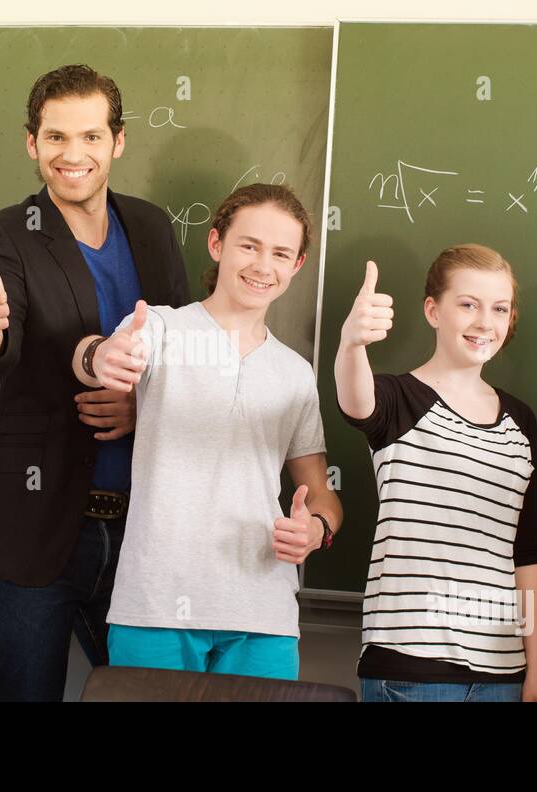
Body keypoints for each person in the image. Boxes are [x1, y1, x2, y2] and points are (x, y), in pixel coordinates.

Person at [0, 64, 190, 701]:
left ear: (118, 141)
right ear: (32, 143)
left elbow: (183, 352)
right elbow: (6, 355)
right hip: (31, 526)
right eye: (55, 138)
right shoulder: (5, 235)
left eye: (90, 136)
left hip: (142, 530)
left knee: (145, 696)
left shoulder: (154, 230)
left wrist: (145, 408)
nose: (72, 154)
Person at [76, 183, 342, 680]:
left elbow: (323, 496)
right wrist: (110, 357)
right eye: (249, 245)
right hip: (155, 607)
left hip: (262, 614)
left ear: (297, 266)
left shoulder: (296, 373)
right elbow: (110, 357)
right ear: (216, 245)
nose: (263, 265)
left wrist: (315, 530)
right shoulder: (158, 328)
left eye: (281, 253)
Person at [336, 244, 537, 702]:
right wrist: (351, 343)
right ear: (433, 311)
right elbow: (355, 402)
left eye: (499, 308)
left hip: (504, 673)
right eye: (468, 304)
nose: (484, 322)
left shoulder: (521, 421)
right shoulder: (397, 400)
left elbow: (526, 554)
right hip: (411, 671)